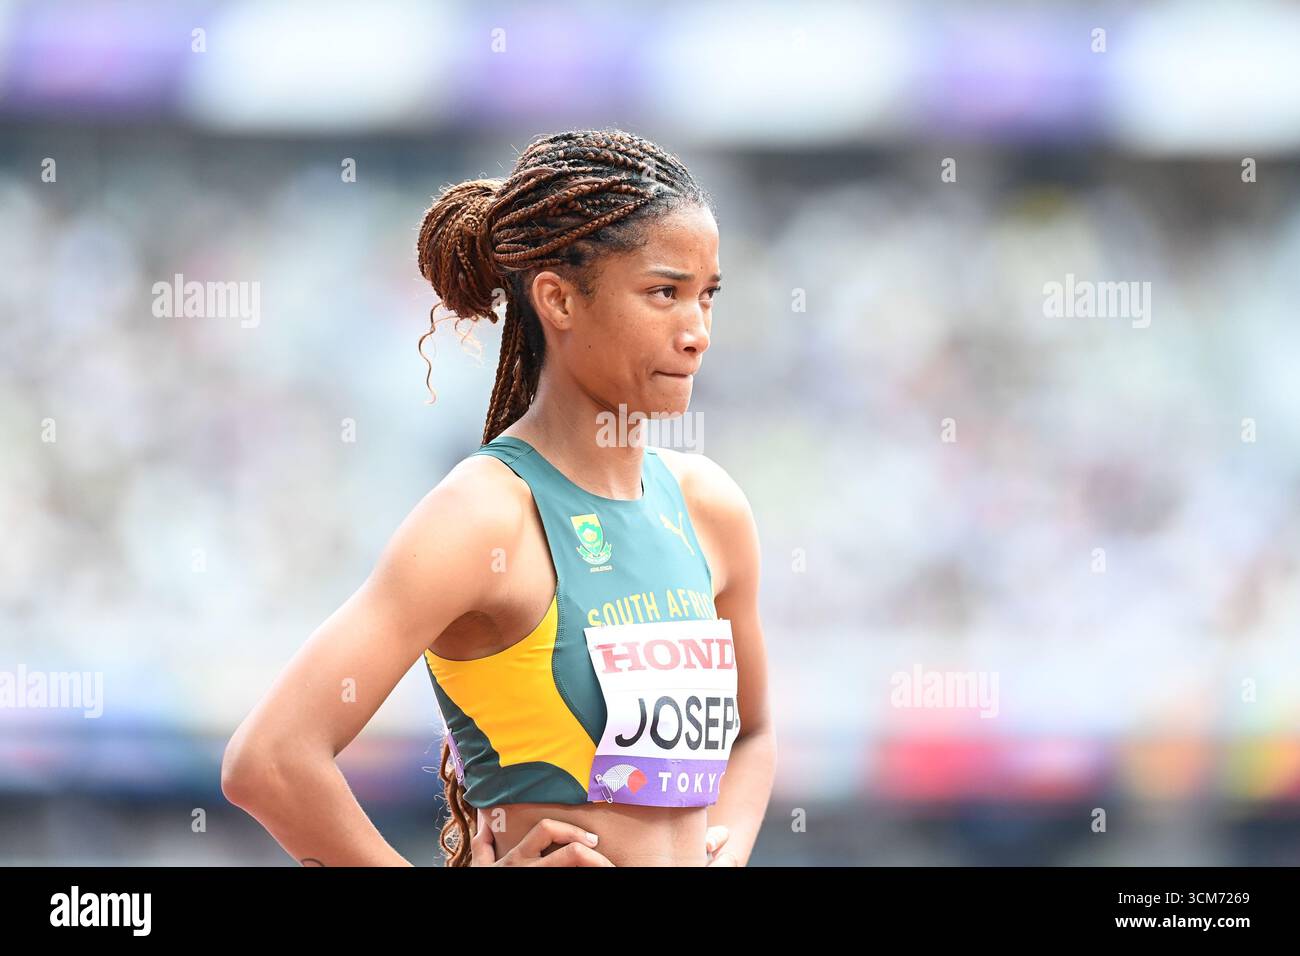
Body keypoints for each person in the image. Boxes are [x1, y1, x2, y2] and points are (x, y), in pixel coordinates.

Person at [221, 128, 775, 867]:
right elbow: (271, 760)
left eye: (706, 297)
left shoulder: (711, 507)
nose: (697, 331)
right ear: (558, 299)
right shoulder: (486, 514)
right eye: (664, 293)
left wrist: (728, 850)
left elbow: (754, 734)